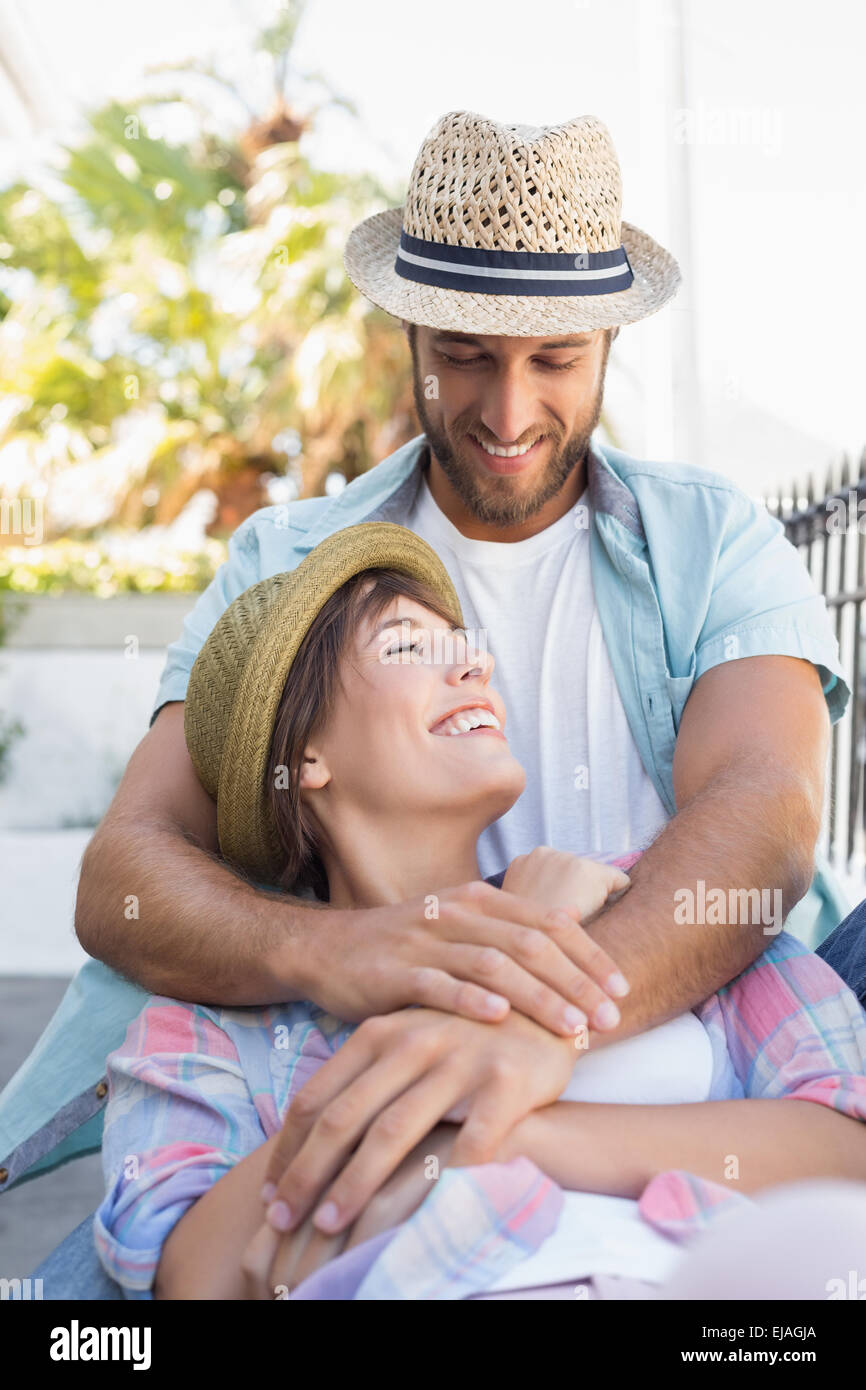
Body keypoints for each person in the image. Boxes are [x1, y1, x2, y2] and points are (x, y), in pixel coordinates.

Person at [3, 109, 851, 1290]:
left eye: (552, 360)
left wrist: (515, 1032)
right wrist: (335, 952)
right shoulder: (288, 561)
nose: (506, 414)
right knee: (89, 1310)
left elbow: (764, 815)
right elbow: (128, 873)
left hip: (674, 996)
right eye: (464, 355)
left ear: (607, 338)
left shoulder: (707, 536)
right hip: (343, 1043)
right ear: (409, 330)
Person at [93, 532, 866, 1300]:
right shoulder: (211, 1035)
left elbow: (850, 1154)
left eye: (459, 644)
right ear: (305, 759)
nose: (473, 663)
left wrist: (497, 1137)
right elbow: (196, 1279)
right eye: (405, 648)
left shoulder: (652, 907)